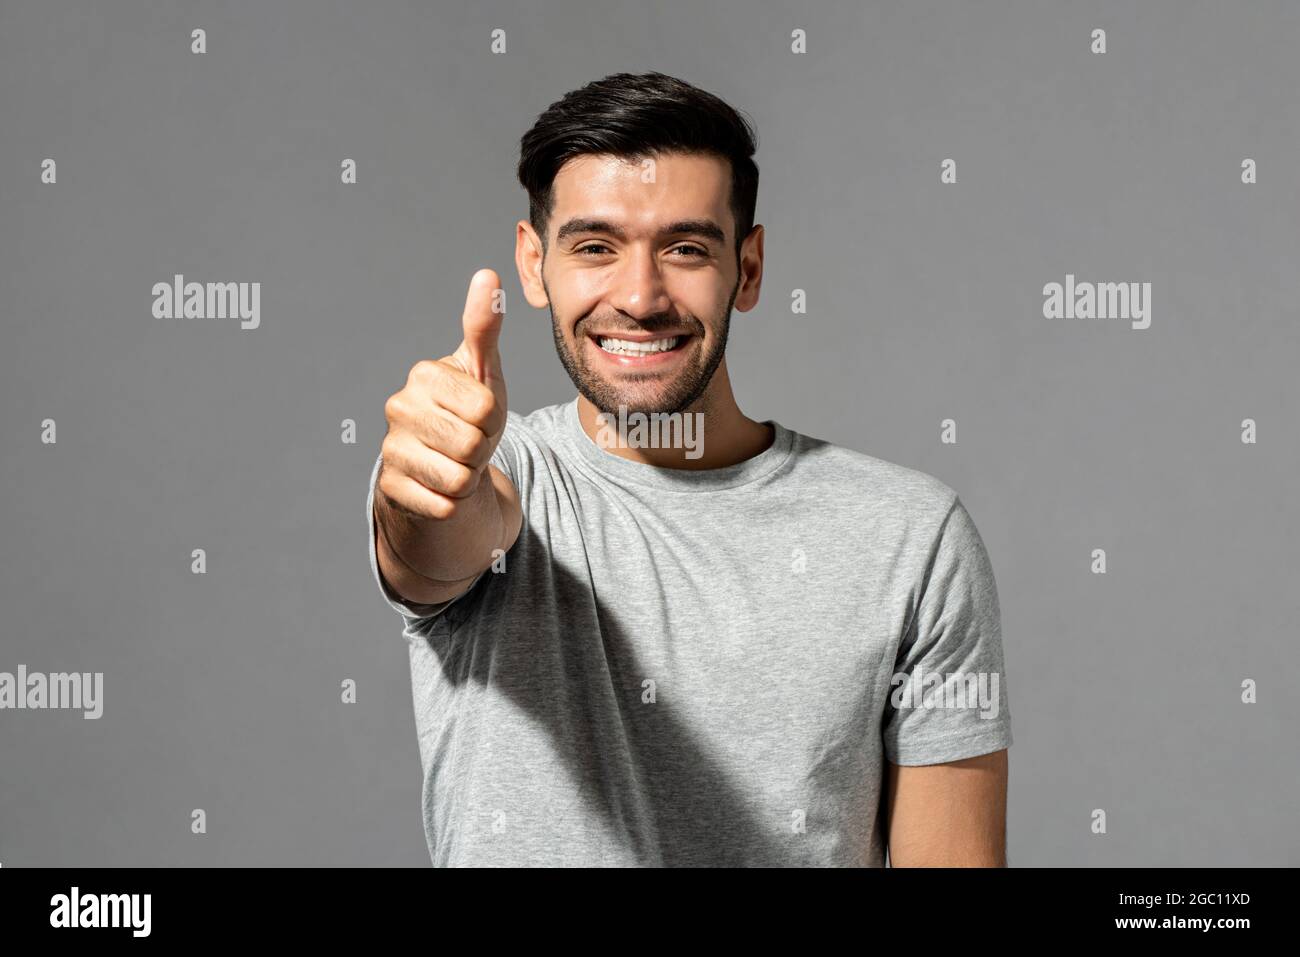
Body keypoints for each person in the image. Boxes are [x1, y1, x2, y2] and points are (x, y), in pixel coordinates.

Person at [367, 71, 1011, 866]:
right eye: (595, 247)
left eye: (684, 248)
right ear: (533, 266)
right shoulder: (491, 476)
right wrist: (431, 488)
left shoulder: (912, 538)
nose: (640, 296)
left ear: (749, 266)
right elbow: (437, 541)